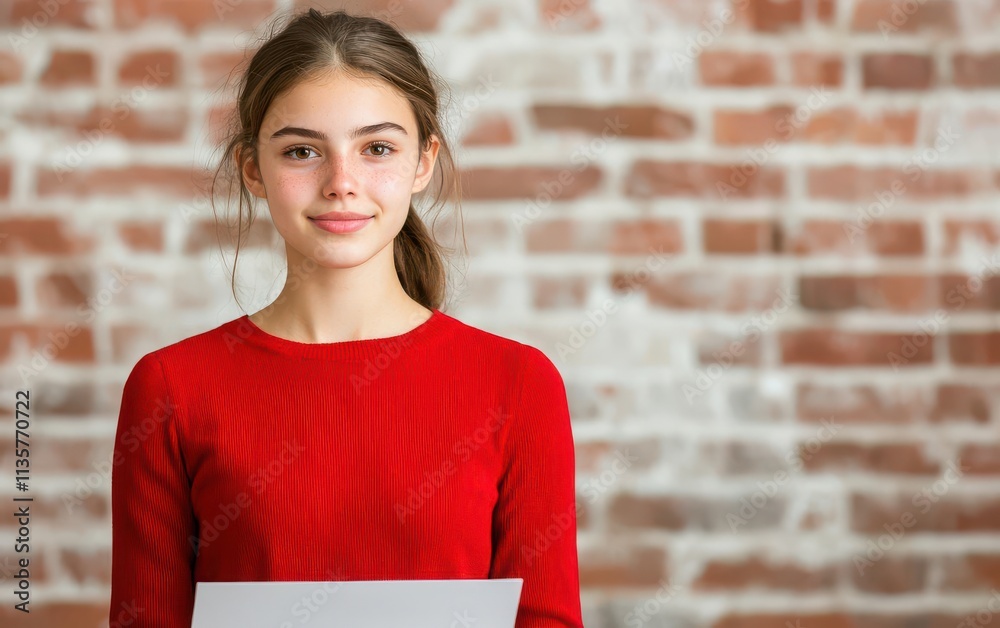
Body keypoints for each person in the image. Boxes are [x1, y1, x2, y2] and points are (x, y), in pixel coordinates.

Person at [108, 8, 583, 628]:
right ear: (253, 167)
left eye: (377, 148)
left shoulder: (518, 383)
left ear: (423, 161)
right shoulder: (171, 388)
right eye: (302, 151)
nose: (341, 182)